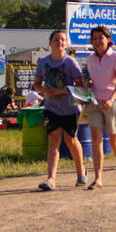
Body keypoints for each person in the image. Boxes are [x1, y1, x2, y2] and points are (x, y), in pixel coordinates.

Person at [33, 30, 88, 191]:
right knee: (54, 140)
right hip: (51, 108)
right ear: (50, 43)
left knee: (71, 140)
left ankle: (81, 173)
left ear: (66, 43)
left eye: (63, 40)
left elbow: (80, 86)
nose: (60, 42)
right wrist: (44, 91)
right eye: (56, 40)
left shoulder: (71, 63)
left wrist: (59, 91)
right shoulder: (43, 62)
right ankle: (51, 179)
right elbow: (36, 83)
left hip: (70, 108)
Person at [84, 25, 116, 188]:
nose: (97, 41)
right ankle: (98, 178)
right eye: (94, 38)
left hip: (112, 102)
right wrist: (87, 86)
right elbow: (92, 80)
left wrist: (111, 98)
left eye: (100, 38)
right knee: (96, 140)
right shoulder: (90, 59)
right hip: (95, 102)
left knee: (114, 140)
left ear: (108, 39)